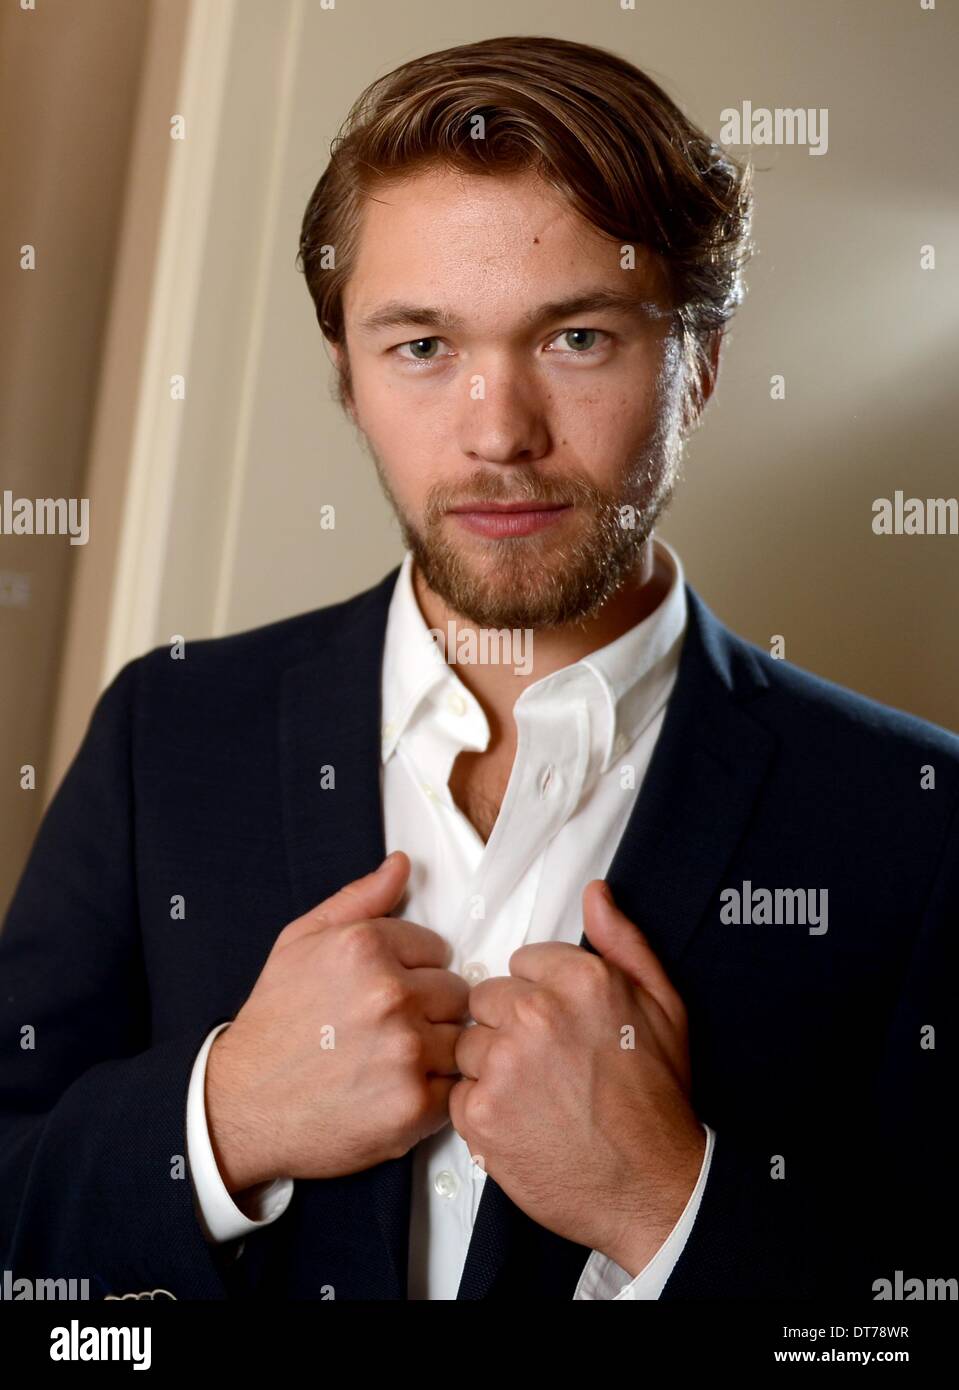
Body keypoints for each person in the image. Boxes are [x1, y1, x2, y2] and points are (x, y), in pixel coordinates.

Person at [0, 35, 955, 1302]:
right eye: (421, 347)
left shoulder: (919, 821)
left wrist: (665, 1200)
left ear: (699, 365)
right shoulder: (165, 731)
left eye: (576, 337)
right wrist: (222, 1118)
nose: (498, 431)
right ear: (345, 375)